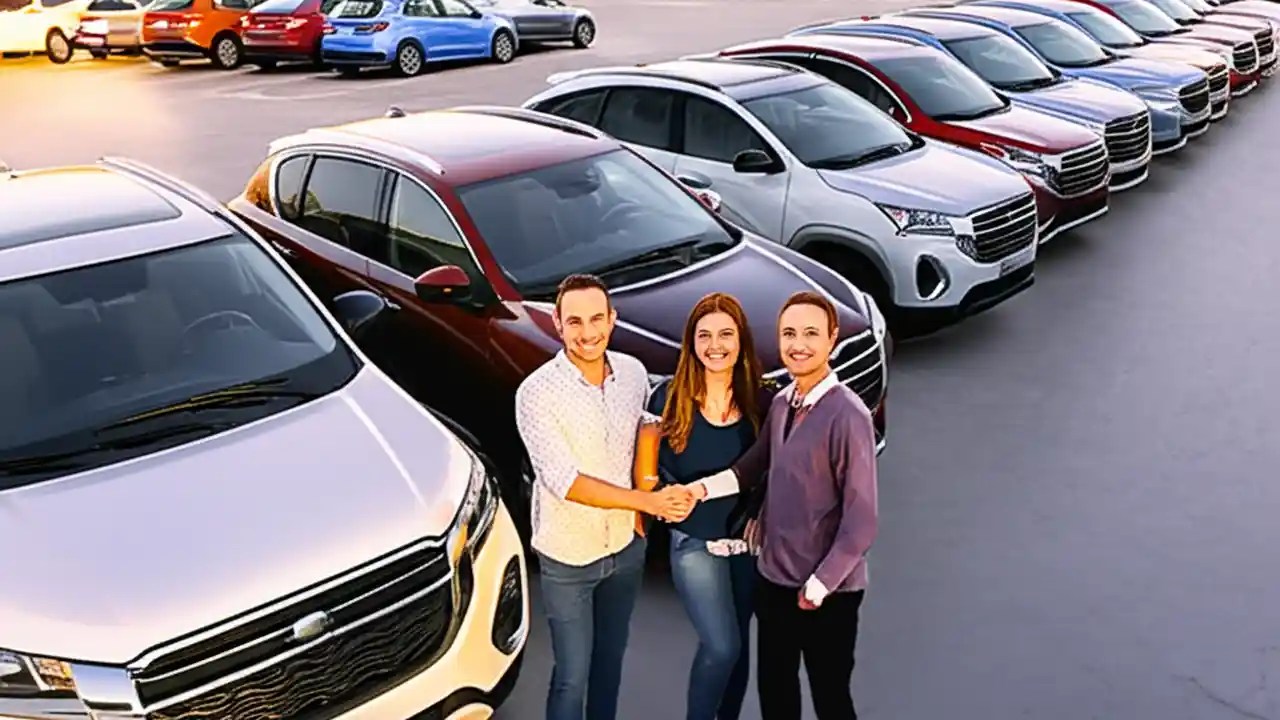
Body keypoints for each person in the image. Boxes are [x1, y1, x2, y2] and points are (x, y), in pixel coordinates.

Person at [687, 290, 880, 720]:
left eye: (811, 333)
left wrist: (818, 586)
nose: (798, 344)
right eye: (789, 333)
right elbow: (751, 468)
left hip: (827, 593)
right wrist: (699, 491)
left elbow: (861, 522)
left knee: (830, 698)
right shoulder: (781, 404)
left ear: (832, 338)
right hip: (773, 582)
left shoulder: (849, 416)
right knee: (776, 696)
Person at [514, 273, 695, 720]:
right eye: (574, 321)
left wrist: (665, 425)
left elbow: (639, 423)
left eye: (597, 319)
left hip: (625, 549)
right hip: (568, 556)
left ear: (612, 319)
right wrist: (648, 504)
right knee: (572, 674)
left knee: (610, 663)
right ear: (557, 323)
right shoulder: (536, 393)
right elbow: (566, 481)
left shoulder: (632, 373)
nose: (587, 332)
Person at [635, 292, 764, 720]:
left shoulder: (761, 403)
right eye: (704, 335)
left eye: (726, 334)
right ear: (691, 343)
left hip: (747, 544)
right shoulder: (667, 402)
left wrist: (762, 514)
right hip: (695, 544)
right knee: (721, 645)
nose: (715, 345)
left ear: (742, 341)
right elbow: (647, 474)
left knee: (740, 648)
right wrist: (657, 502)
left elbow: (774, 470)